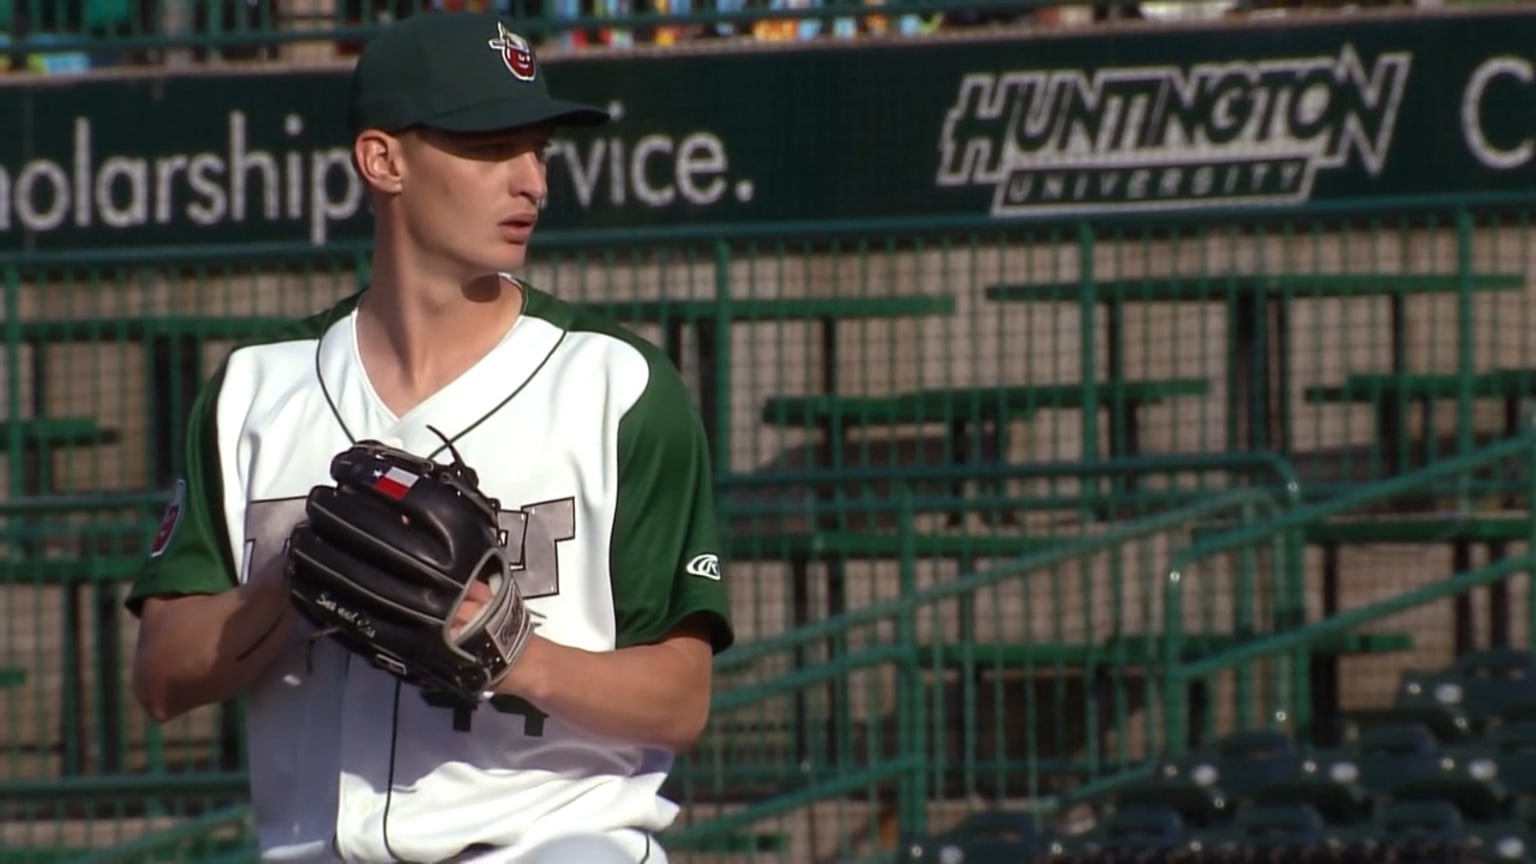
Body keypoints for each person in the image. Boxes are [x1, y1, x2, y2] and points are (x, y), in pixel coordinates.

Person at [125, 12, 734, 864]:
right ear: (384, 161)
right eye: (491, 147)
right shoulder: (256, 390)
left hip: (552, 845)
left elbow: (682, 701)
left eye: (540, 151)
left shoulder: (616, 385)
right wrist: (294, 579)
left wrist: (508, 646)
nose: (532, 183)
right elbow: (160, 680)